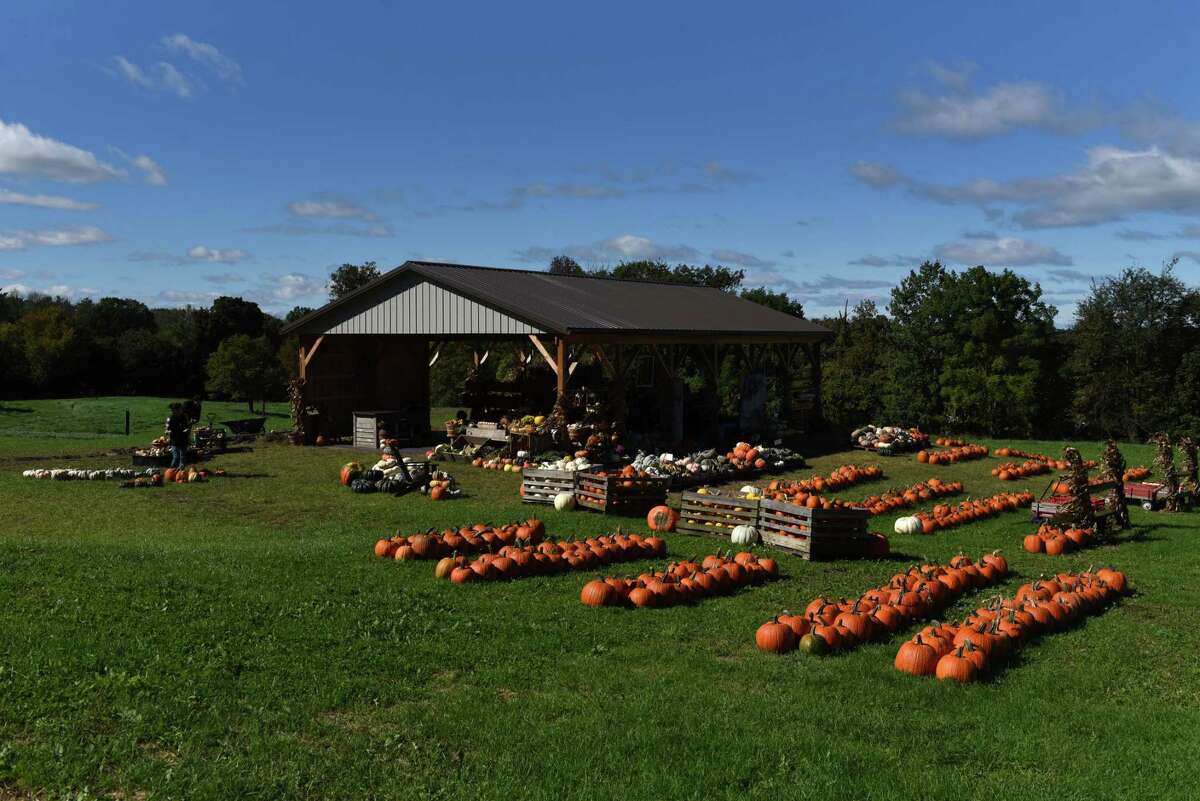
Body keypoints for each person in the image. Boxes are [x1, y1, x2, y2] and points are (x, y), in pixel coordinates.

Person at [166, 402, 191, 470]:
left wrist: (187, 430)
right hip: (174, 440)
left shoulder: (184, 417)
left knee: (182, 457)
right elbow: (167, 430)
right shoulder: (170, 418)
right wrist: (168, 432)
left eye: (179, 409)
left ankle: (181, 472)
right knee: (176, 457)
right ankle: (171, 470)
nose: (173, 411)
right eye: (172, 410)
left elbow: (187, 426)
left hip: (183, 439)